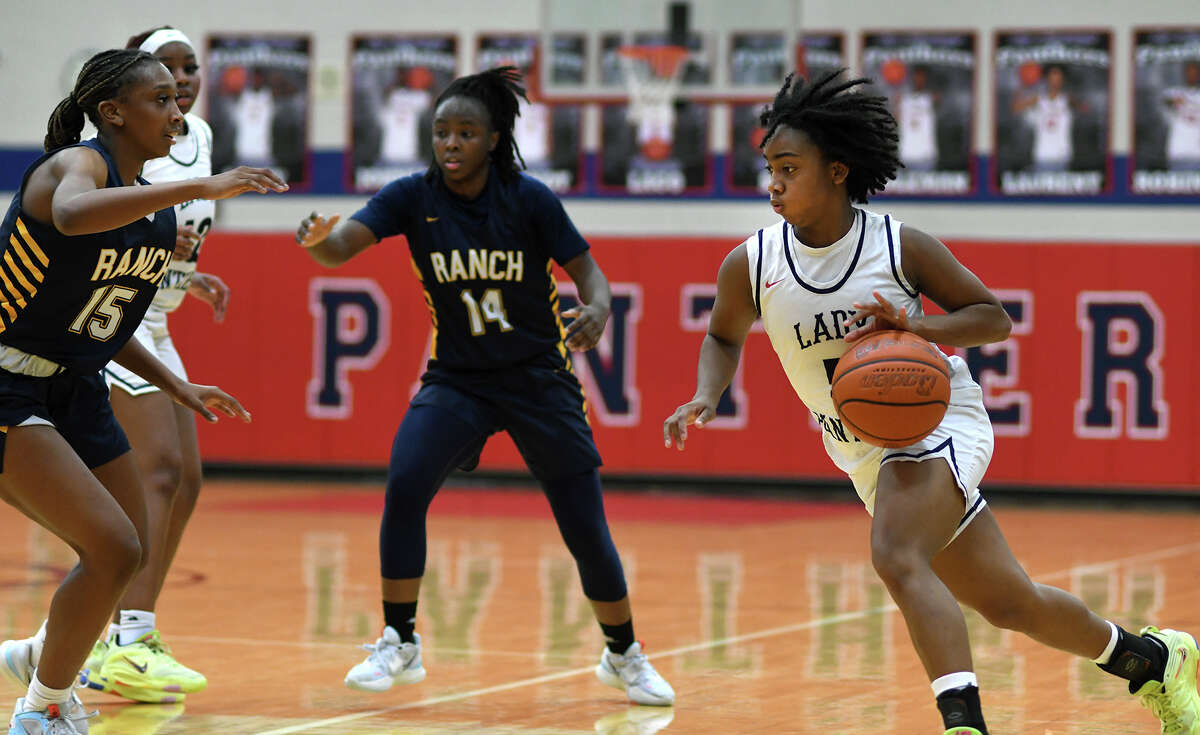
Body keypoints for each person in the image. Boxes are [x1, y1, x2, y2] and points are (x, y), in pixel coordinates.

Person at [663, 70, 1199, 735]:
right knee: (1012, 602)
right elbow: (721, 333)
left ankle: (962, 724)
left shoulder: (896, 245)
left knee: (894, 553)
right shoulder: (751, 263)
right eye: (768, 167)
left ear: (836, 171)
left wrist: (919, 328)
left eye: (789, 167)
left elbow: (992, 317)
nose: (772, 181)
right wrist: (704, 393)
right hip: (863, 451)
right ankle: (1154, 661)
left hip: (941, 420)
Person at [294, 66, 674, 706]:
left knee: (584, 526)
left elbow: (592, 276)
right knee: (406, 479)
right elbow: (341, 250)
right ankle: (400, 640)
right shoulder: (412, 196)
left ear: (493, 139)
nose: (450, 144)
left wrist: (599, 310)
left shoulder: (528, 200)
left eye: (465, 133)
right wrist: (317, 243)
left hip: (537, 379)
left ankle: (624, 653)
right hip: (460, 379)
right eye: (441, 132)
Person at [0, 49, 284, 734]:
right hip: (9, 381)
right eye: (160, 98)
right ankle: (40, 707)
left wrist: (175, 382)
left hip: (75, 385)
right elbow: (70, 215)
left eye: (178, 99)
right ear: (112, 111)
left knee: (131, 547)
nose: (177, 110)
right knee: (114, 547)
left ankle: (46, 650)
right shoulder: (77, 167)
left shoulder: (155, 221)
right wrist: (197, 189)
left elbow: (106, 320)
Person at [1011, 64, 1080, 172]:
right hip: (1043, 155)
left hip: (1063, 155)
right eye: (1052, 78)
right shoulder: (1039, 99)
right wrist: (1023, 85)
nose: (1055, 82)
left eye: (1058, 78)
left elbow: (1087, 109)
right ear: (1047, 80)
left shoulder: (1068, 99)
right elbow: (1016, 109)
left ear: (1063, 80)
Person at [1163, 60, 1200, 171]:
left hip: (1197, 155)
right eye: (1189, 72)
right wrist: (1173, 101)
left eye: (1195, 72)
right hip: (1178, 154)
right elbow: (1165, 100)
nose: (1192, 75)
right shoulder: (1175, 92)